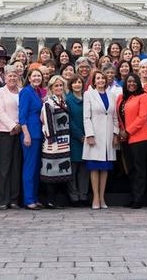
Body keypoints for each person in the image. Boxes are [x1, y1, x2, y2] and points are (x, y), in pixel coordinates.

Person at [83, 70, 119, 209]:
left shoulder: (111, 95)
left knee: (104, 169)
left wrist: (115, 134)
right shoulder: (89, 94)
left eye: (103, 78)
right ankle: (95, 198)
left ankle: (102, 197)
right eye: (98, 78)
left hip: (108, 137)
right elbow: (86, 116)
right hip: (95, 136)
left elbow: (115, 117)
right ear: (94, 80)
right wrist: (89, 134)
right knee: (94, 168)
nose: (101, 81)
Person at [117, 73, 147, 209]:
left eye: (134, 81)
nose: (131, 84)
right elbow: (119, 117)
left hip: (140, 138)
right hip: (125, 139)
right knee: (130, 169)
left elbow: (142, 118)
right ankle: (133, 196)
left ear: (138, 83)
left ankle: (139, 198)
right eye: (129, 82)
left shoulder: (143, 97)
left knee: (139, 169)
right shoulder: (121, 98)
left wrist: (127, 131)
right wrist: (121, 131)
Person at [39, 75, 72, 208]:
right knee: (51, 172)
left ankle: (56, 200)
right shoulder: (48, 103)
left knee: (59, 172)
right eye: (56, 86)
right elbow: (47, 122)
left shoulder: (63, 101)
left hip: (64, 140)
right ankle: (50, 200)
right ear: (51, 88)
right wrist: (52, 139)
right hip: (53, 142)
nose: (59, 88)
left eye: (60, 85)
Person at [0, 65, 22, 210]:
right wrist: (12, 126)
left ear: (18, 77)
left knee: (16, 166)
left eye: (14, 76)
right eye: (9, 76)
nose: (12, 78)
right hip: (6, 131)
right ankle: (2, 200)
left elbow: (23, 110)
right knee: (4, 167)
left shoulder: (22, 92)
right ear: (5, 77)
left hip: (20, 131)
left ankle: (13, 199)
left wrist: (19, 125)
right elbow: (0, 111)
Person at [19, 67, 46, 209]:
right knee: (29, 167)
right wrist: (26, 134)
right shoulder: (26, 92)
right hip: (30, 134)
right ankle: (28, 199)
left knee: (36, 168)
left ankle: (34, 197)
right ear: (29, 78)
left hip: (39, 133)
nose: (36, 78)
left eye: (39, 76)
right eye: (34, 76)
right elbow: (22, 115)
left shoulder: (38, 92)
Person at [66, 75, 89, 206]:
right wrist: (80, 136)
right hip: (75, 139)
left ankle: (83, 195)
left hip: (88, 138)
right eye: (74, 83)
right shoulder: (68, 100)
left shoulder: (87, 98)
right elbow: (69, 121)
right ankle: (74, 197)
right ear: (70, 85)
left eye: (79, 82)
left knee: (84, 170)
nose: (77, 85)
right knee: (73, 169)